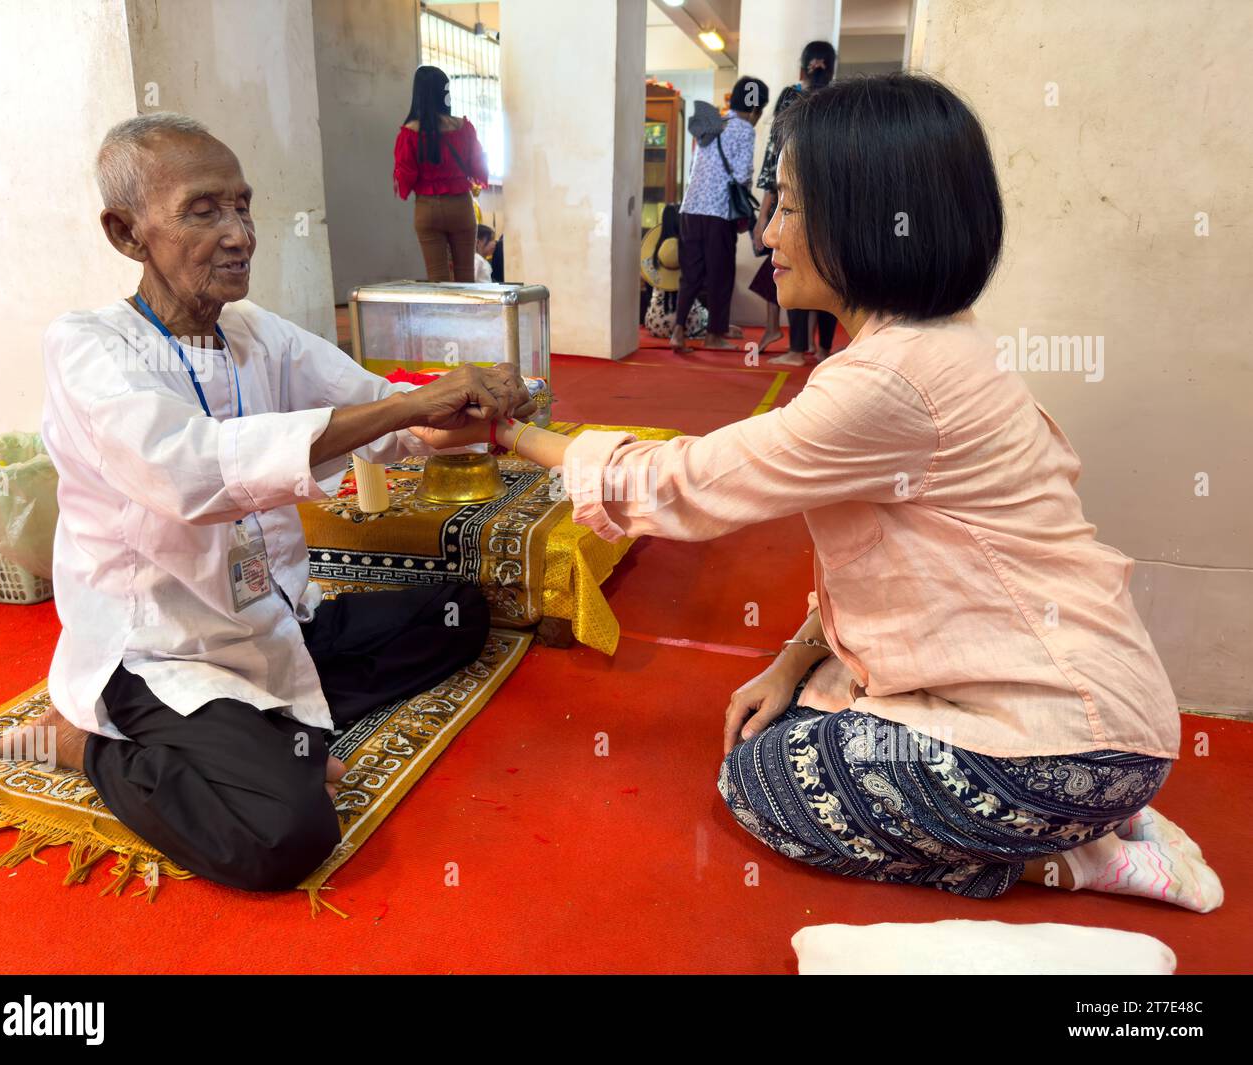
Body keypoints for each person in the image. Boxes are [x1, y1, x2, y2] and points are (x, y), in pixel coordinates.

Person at [453, 75, 1222, 911]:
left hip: (1080, 746)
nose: (767, 231)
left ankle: (1078, 855)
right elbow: (888, 567)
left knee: (762, 781)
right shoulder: (930, 348)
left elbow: (686, 482)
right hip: (1092, 715)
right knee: (791, 706)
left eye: (788, 206)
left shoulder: (888, 382)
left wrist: (508, 435)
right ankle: (1071, 824)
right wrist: (793, 657)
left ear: (866, 216)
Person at [0, 113, 534, 893]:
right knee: (284, 831)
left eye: (243, 207)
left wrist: (477, 404)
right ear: (126, 232)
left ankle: (266, 729)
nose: (239, 233)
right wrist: (401, 411)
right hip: (161, 651)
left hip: (274, 619)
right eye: (203, 210)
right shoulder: (87, 348)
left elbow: (387, 415)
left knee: (459, 613)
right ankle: (90, 746)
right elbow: (191, 473)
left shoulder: (256, 334)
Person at [752, 40, 839, 366]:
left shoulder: (791, 96)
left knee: (793, 268)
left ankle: (795, 350)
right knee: (827, 273)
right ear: (830, 68)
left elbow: (774, 162)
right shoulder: (838, 99)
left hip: (793, 201)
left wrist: (764, 215)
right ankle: (824, 349)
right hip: (829, 206)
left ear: (802, 68)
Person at [671, 77, 769, 354]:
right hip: (718, 212)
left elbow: (697, 168)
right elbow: (742, 175)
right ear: (754, 110)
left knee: (691, 273)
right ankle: (714, 334)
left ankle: (678, 331)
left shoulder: (714, 122)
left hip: (690, 208)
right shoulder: (745, 130)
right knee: (720, 273)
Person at [393, 66, 489, 282]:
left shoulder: (409, 132)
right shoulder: (463, 127)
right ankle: (467, 316)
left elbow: (405, 177)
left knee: (437, 280)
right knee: (466, 278)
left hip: (427, 209)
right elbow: (478, 166)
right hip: (461, 207)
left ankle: (442, 316)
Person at [641, 204, 708, 340]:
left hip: (655, 323)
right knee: (706, 315)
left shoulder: (656, 251)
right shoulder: (687, 248)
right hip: (685, 323)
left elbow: (647, 281)